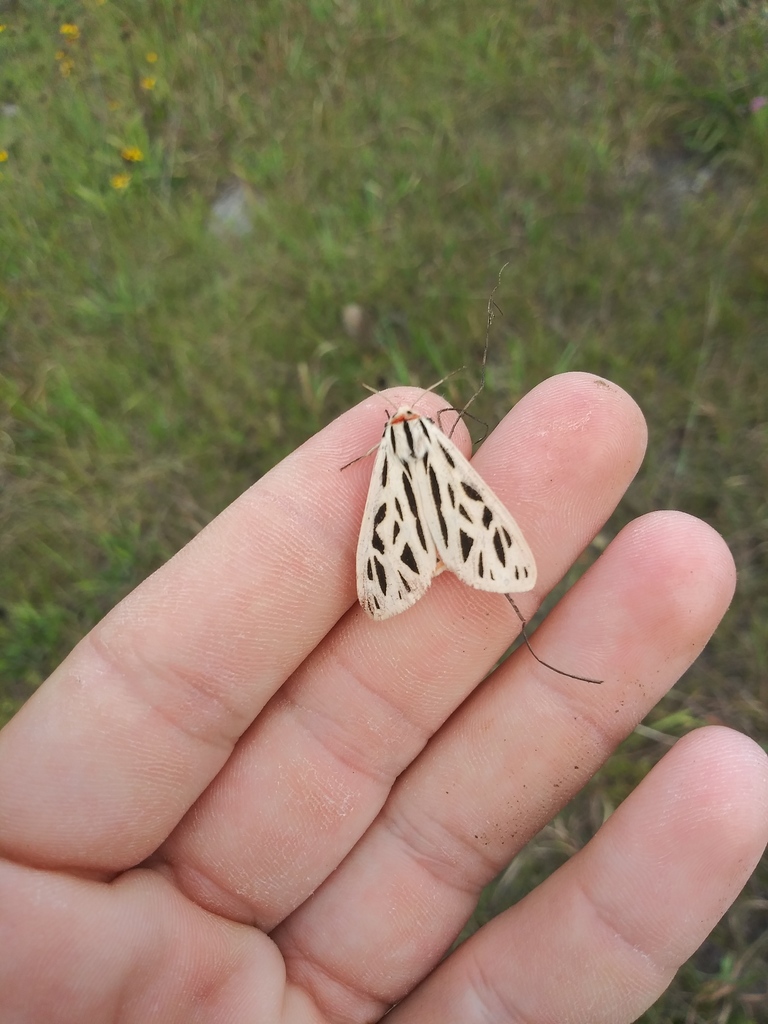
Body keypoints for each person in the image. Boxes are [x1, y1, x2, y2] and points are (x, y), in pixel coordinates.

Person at [0, 373, 766, 1024]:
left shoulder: (399, 445)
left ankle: (430, 552)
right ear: (415, 422)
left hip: (407, 501)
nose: (399, 411)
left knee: (431, 542)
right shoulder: (422, 434)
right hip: (441, 491)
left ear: (402, 422)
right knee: (468, 535)